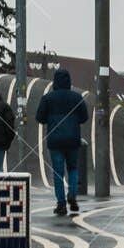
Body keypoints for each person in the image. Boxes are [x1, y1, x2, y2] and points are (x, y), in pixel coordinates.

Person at [35, 66, 89, 215]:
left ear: (55, 82)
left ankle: (61, 204)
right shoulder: (77, 98)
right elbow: (84, 117)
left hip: (55, 140)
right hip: (73, 139)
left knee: (58, 173)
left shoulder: (48, 98)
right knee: (73, 168)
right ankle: (72, 194)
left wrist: (50, 119)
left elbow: (39, 117)